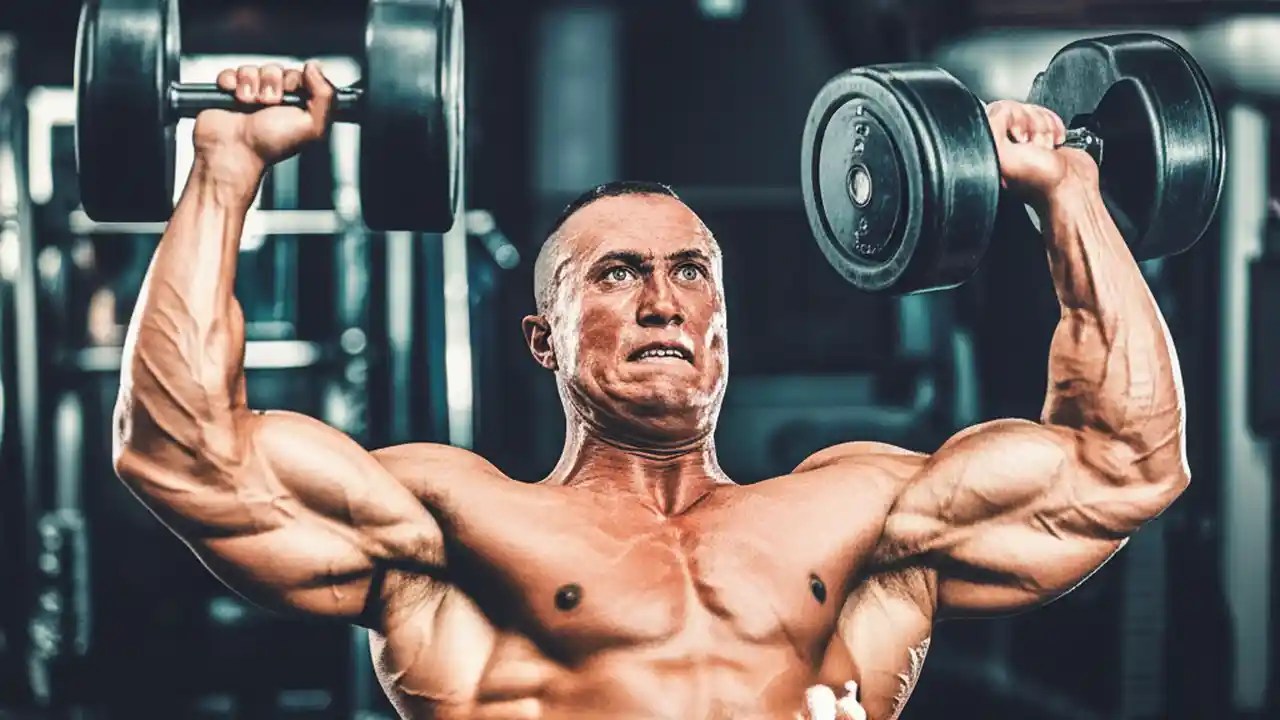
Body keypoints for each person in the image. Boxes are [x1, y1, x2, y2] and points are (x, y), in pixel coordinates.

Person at [111, 61, 1189, 720]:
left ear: (723, 328)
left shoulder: (854, 513)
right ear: (542, 339)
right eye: (618, 274)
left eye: (690, 275)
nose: (663, 302)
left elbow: (1122, 462)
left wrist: (1067, 193)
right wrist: (226, 169)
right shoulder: (458, 524)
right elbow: (185, 454)